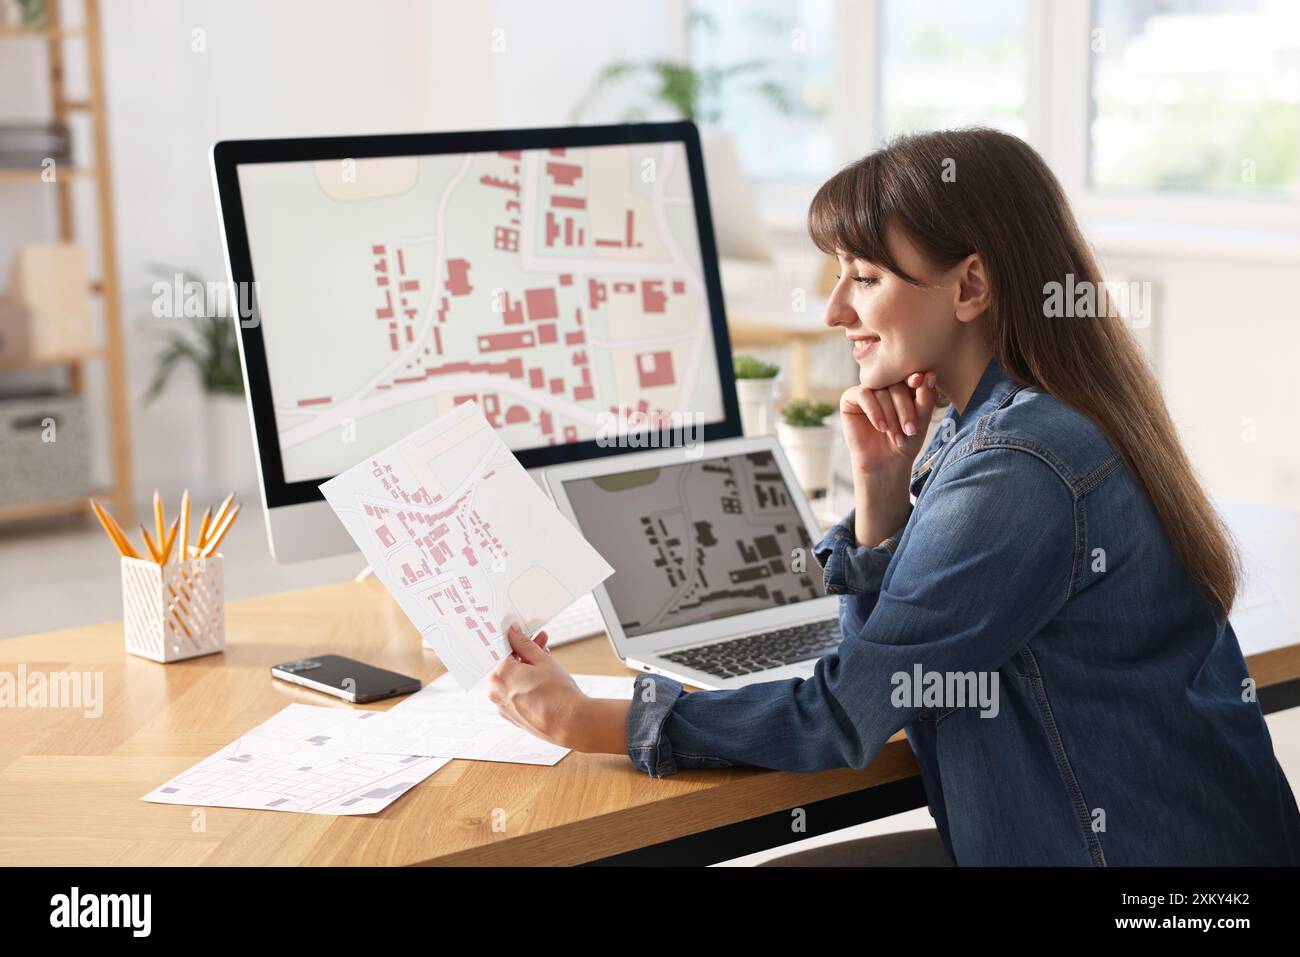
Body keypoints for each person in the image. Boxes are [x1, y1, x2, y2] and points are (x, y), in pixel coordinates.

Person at [487, 128, 1300, 866]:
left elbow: (844, 713)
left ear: (971, 285)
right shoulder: (1013, 418)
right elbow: (891, 676)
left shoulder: (1021, 464)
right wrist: (881, 493)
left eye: (865, 277)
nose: (836, 309)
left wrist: (590, 719)